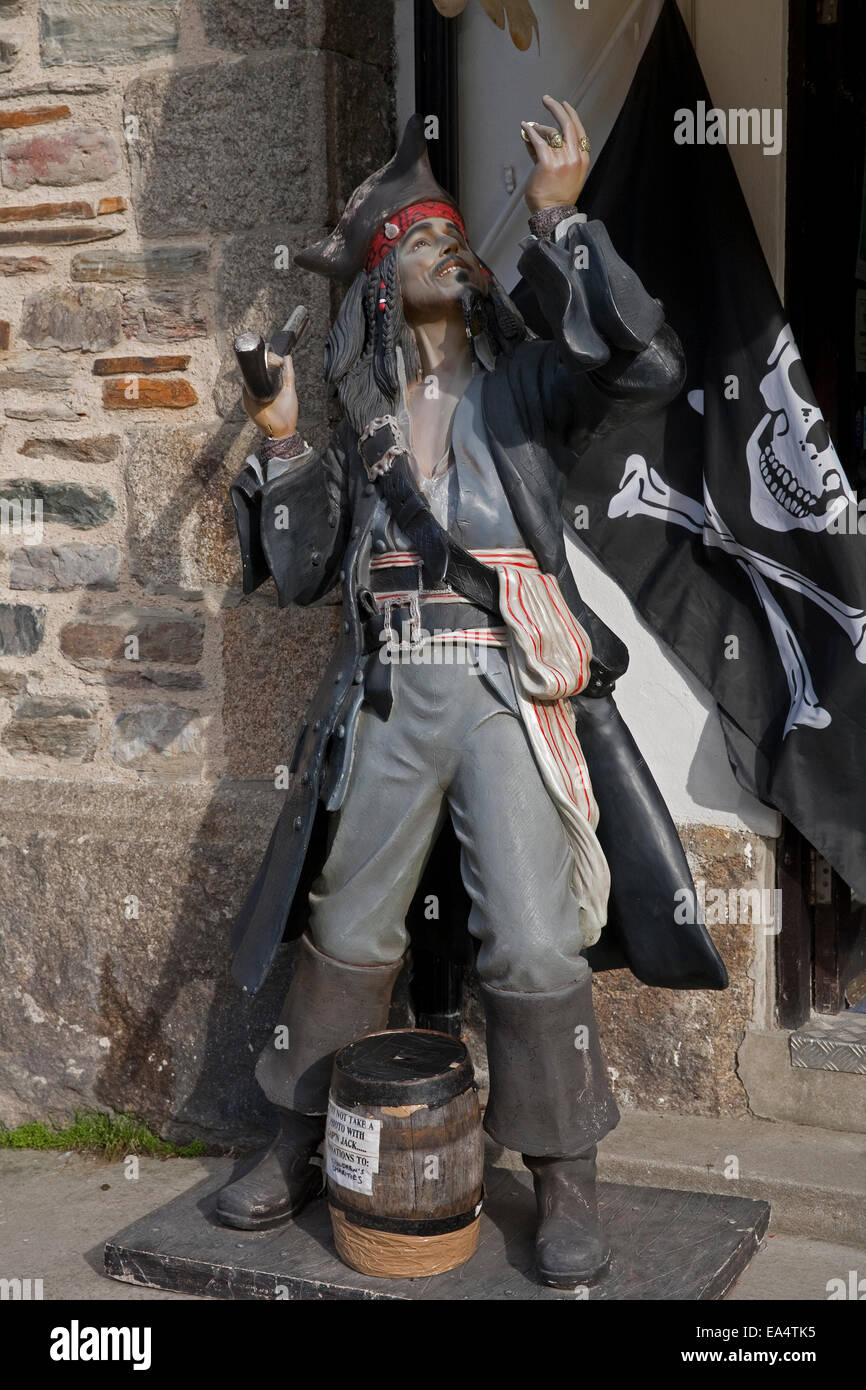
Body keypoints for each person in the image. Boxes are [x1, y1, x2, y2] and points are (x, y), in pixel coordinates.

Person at [219, 99, 726, 1289]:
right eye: (416, 238)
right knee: (346, 925)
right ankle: (296, 1138)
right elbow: (298, 577)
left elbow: (649, 363)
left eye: (454, 231)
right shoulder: (366, 436)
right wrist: (284, 437)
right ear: (382, 283)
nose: (445, 246)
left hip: (502, 684)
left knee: (535, 931)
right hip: (391, 691)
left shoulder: (532, 390)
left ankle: (564, 1177)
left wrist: (566, 225)